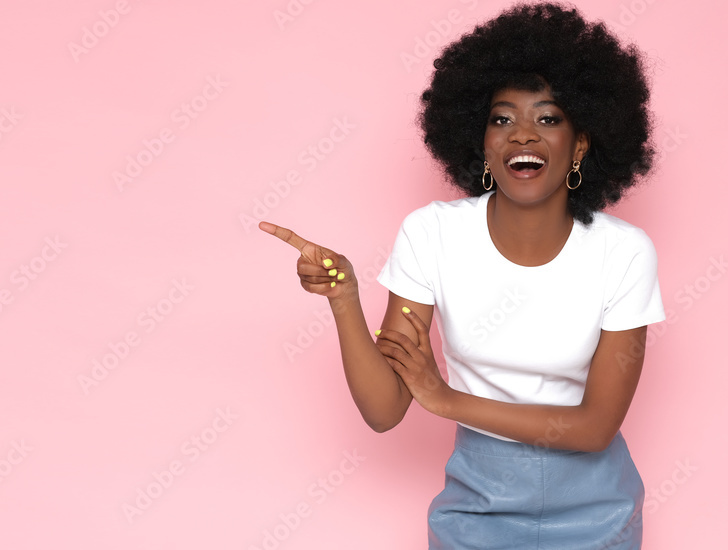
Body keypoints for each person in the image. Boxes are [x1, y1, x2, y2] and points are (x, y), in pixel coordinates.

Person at [259, 3, 664, 548]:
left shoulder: (623, 252)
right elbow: (384, 412)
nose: (523, 135)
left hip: (596, 512)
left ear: (581, 144)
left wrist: (445, 399)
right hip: (478, 507)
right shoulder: (432, 235)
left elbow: (595, 429)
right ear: (480, 143)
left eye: (548, 118)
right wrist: (344, 298)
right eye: (502, 118)